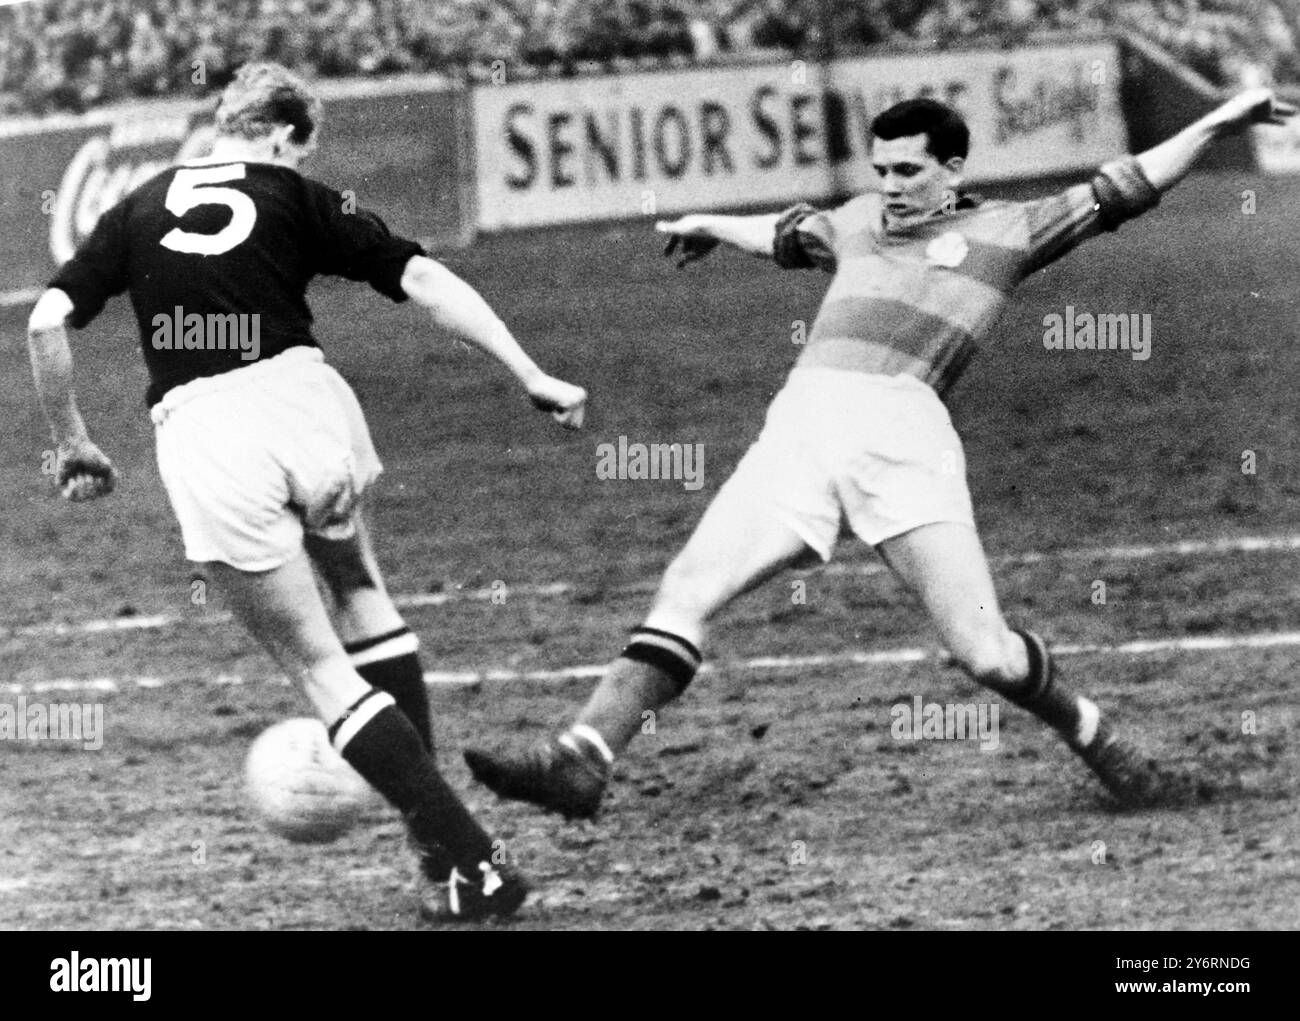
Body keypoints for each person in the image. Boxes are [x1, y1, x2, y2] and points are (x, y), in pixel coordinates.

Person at [464, 89, 1293, 821]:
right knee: (685, 590)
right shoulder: (858, 219)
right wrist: (712, 224)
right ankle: (583, 757)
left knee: (988, 654)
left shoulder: (1008, 229)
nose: (890, 188)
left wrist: (1220, 121)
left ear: (952, 168)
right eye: (881, 170)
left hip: (904, 437)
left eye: (906, 172)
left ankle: (1102, 741)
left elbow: (1128, 186)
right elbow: (789, 234)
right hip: (802, 424)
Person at [26, 61, 588, 921]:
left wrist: (73, 441)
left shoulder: (137, 207)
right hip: (309, 406)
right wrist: (531, 372)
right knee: (363, 595)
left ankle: (472, 862)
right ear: (286, 135)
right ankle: (440, 861)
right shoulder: (302, 196)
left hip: (210, 429)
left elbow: (44, 321)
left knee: (320, 668)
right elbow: (425, 279)